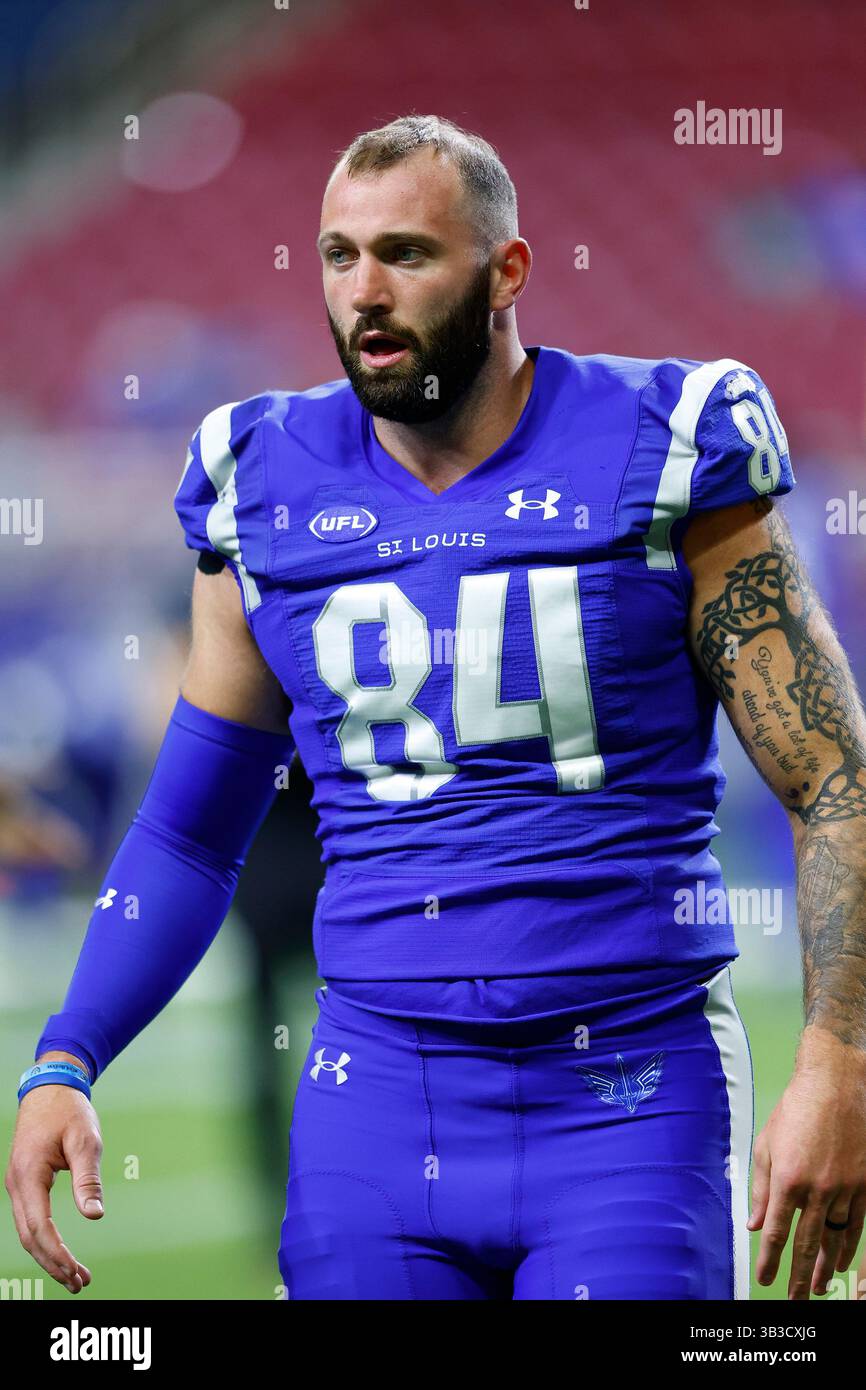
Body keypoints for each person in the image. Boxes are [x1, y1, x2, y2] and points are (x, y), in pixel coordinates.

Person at [7, 115, 866, 1301]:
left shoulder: (666, 445)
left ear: (506, 271)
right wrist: (66, 1055)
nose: (364, 292)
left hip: (626, 1091)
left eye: (406, 254)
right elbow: (190, 830)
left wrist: (837, 1058)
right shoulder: (263, 482)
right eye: (337, 254)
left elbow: (832, 779)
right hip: (375, 1099)